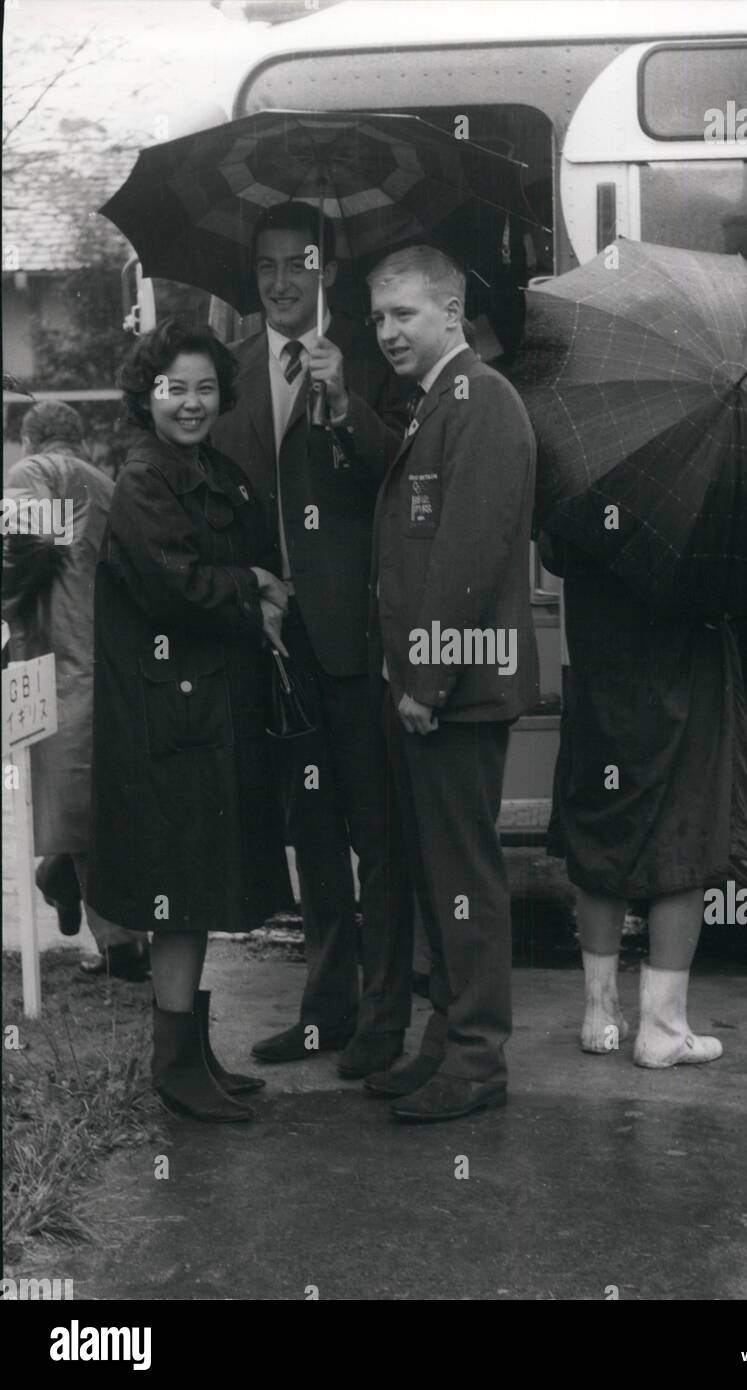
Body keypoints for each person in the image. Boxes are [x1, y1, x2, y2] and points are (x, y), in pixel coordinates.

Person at [210, 202, 415, 1081]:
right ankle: (323, 1013)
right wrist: (247, 582)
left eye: (296, 262)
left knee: (379, 836)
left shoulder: (372, 354)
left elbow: (406, 476)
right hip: (278, 648)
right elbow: (223, 492)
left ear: (325, 269)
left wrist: (345, 404)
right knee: (314, 839)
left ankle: (384, 1022)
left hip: (355, 643)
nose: (280, 280)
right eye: (264, 267)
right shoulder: (237, 367)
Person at [86, 320, 293, 1122]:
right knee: (179, 888)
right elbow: (174, 584)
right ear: (149, 394)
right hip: (169, 723)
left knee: (196, 885)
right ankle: (174, 1066)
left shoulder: (211, 470)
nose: (192, 403)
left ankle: (191, 1052)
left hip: (202, 710)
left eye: (206, 387)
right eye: (175, 388)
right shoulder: (145, 478)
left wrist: (256, 583)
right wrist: (252, 584)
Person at [362, 245, 539, 1123]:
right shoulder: (441, 402)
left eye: (405, 314)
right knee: (442, 878)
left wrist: (425, 683)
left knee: (466, 875)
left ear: (452, 309)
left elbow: (471, 556)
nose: (389, 332)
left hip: (455, 692)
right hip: (436, 687)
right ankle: (446, 1041)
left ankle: (477, 1061)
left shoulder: (484, 403)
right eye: (379, 318)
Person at [546, 542, 747, 1067]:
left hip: (599, 675)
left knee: (601, 836)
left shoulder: (581, 473)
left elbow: (554, 554)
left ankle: (599, 1017)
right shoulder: (696, 482)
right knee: (685, 838)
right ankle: (661, 1030)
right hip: (682, 679)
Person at [2, 401, 148, 981]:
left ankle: (118, 939)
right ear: (80, 439)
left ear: (29, 438)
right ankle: (67, 883)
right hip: (108, 661)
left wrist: (5, 593)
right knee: (89, 798)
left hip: (53, 662)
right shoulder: (107, 484)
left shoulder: (32, 472)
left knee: (70, 798)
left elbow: (24, 541)